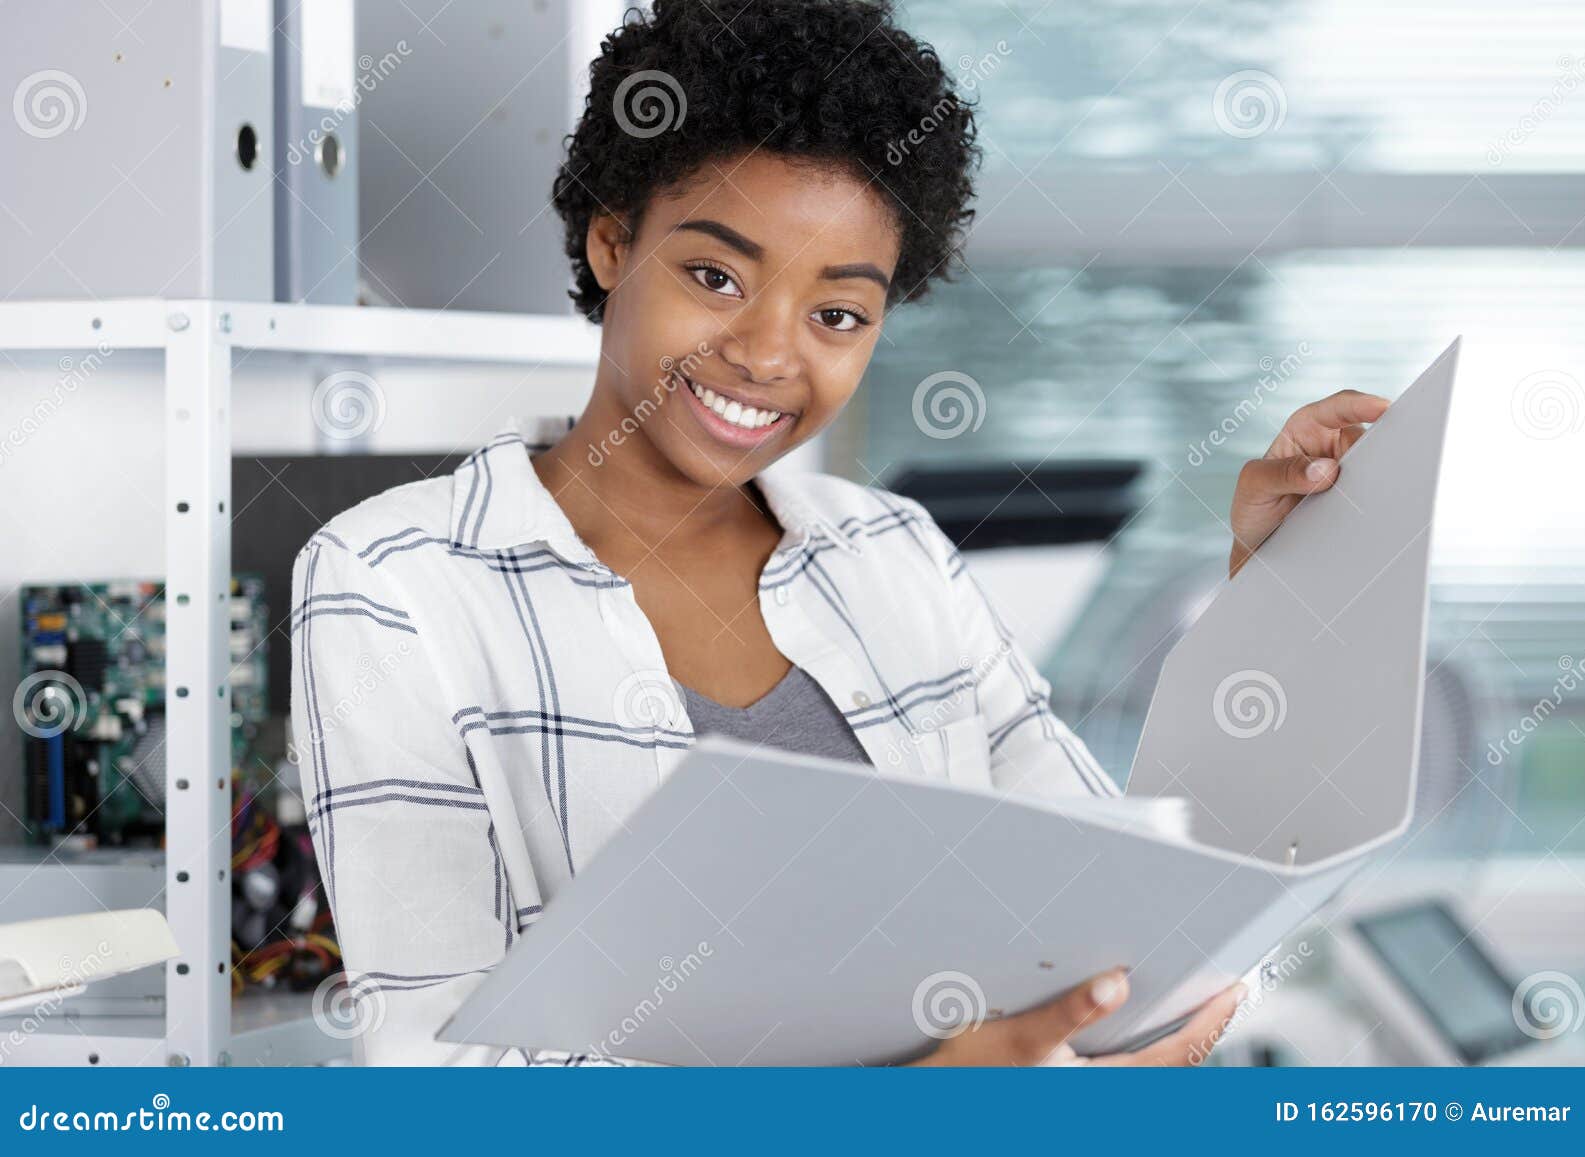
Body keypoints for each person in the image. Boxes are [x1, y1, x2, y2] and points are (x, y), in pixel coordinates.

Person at [288, 0, 1390, 1066]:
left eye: (836, 314)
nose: (769, 354)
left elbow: (1129, 900)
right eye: (715, 275)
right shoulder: (390, 583)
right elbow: (442, 1067)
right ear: (614, 241)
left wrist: (1275, 591)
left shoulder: (891, 550)